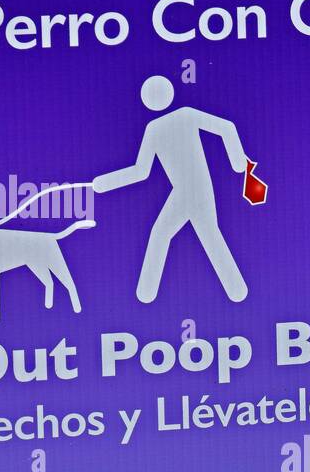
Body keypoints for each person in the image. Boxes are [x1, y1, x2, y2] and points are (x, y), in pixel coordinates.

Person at [93, 76, 249, 304]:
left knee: (172, 234)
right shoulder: (156, 127)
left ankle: (147, 294)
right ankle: (236, 291)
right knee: (197, 234)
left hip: (194, 190)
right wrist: (104, 183)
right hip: (189, 191)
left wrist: (238, 162)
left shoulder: (180, 117)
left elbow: (226, 127)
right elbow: (141, 171)